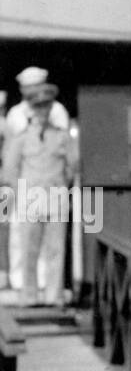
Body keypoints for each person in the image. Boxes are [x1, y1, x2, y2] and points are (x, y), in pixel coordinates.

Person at [2, 81, 76, 306]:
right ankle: (29, 295)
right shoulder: (22, 137)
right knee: (29, 250)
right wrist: (23, 193)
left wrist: (62, 186)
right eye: (38, 106)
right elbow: (10, 169)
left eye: (47, 106)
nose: (43, 111)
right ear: (32, 109)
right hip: (31, 200)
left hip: (56, 198)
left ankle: (54, 296)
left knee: (55, 249)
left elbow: (72, 166)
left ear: (51, 108)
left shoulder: (62, 137)